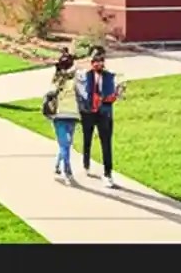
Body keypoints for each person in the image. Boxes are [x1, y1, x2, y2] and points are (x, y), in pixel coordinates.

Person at [77, 49, 123, 188]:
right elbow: (80, 93)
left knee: (106, 144)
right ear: (91, 63)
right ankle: (86, 163)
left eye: (101, 61)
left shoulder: (109, 77)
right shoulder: (85, 76)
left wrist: (114, 95)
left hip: (104, 114)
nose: (98, 64)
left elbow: (114, 93)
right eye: (95, 61)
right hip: (89, 114)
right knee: (87, 140)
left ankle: (107, 174)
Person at [45, 51, 80, 184]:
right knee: (65, 144)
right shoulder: (60, 80)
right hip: (62, 114)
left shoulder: (69, 79)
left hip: (68, 115)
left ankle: (58, 165)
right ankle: (67, 171)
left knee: (66, 144)